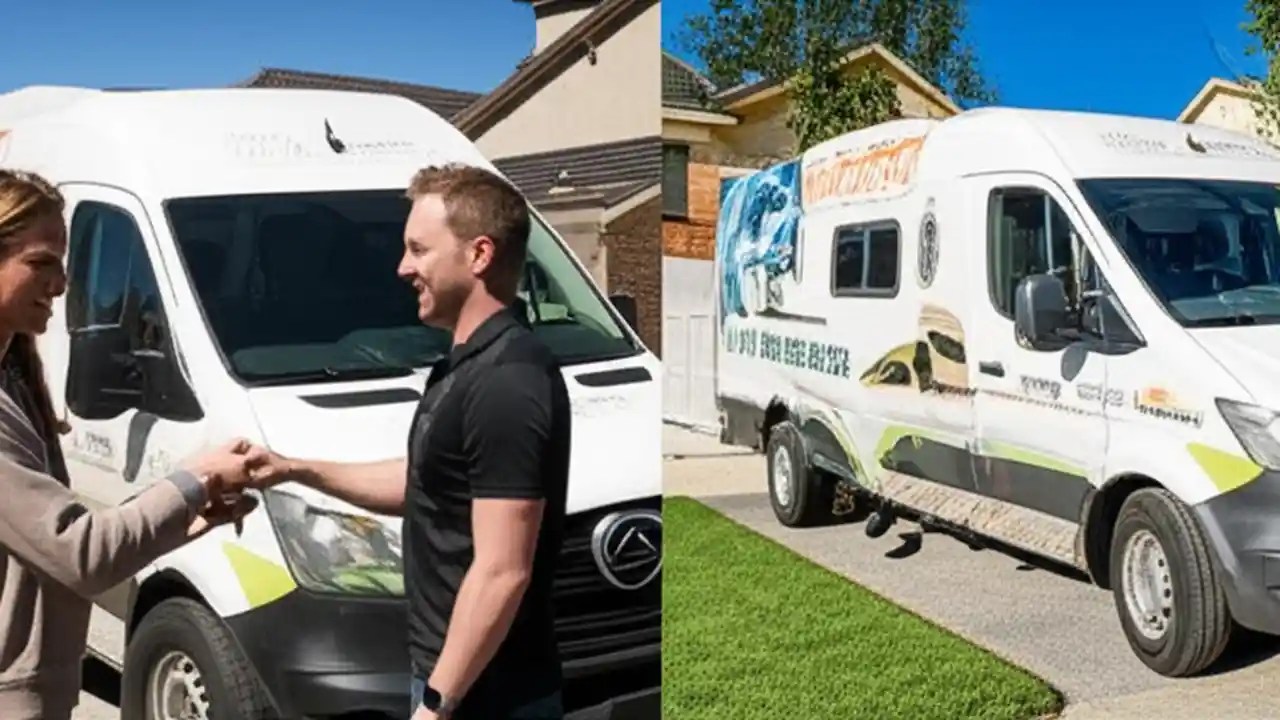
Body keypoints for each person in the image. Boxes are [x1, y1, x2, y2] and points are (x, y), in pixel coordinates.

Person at [245, 163, 571, 720]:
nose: (403, 268)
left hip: (489, 695)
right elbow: (425, 482)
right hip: (454, 680)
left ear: (479, 255)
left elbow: (502, 570)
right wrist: (294, 468)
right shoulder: (466, 365)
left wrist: (437, 705)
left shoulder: (509, 379)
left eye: (418, 249)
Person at [0, 169, 260, 720]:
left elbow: (51, 547)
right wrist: (197, 479)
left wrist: (189, 514)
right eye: (41, 262)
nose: (62, 284)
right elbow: (81, 553)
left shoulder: (15, 379)